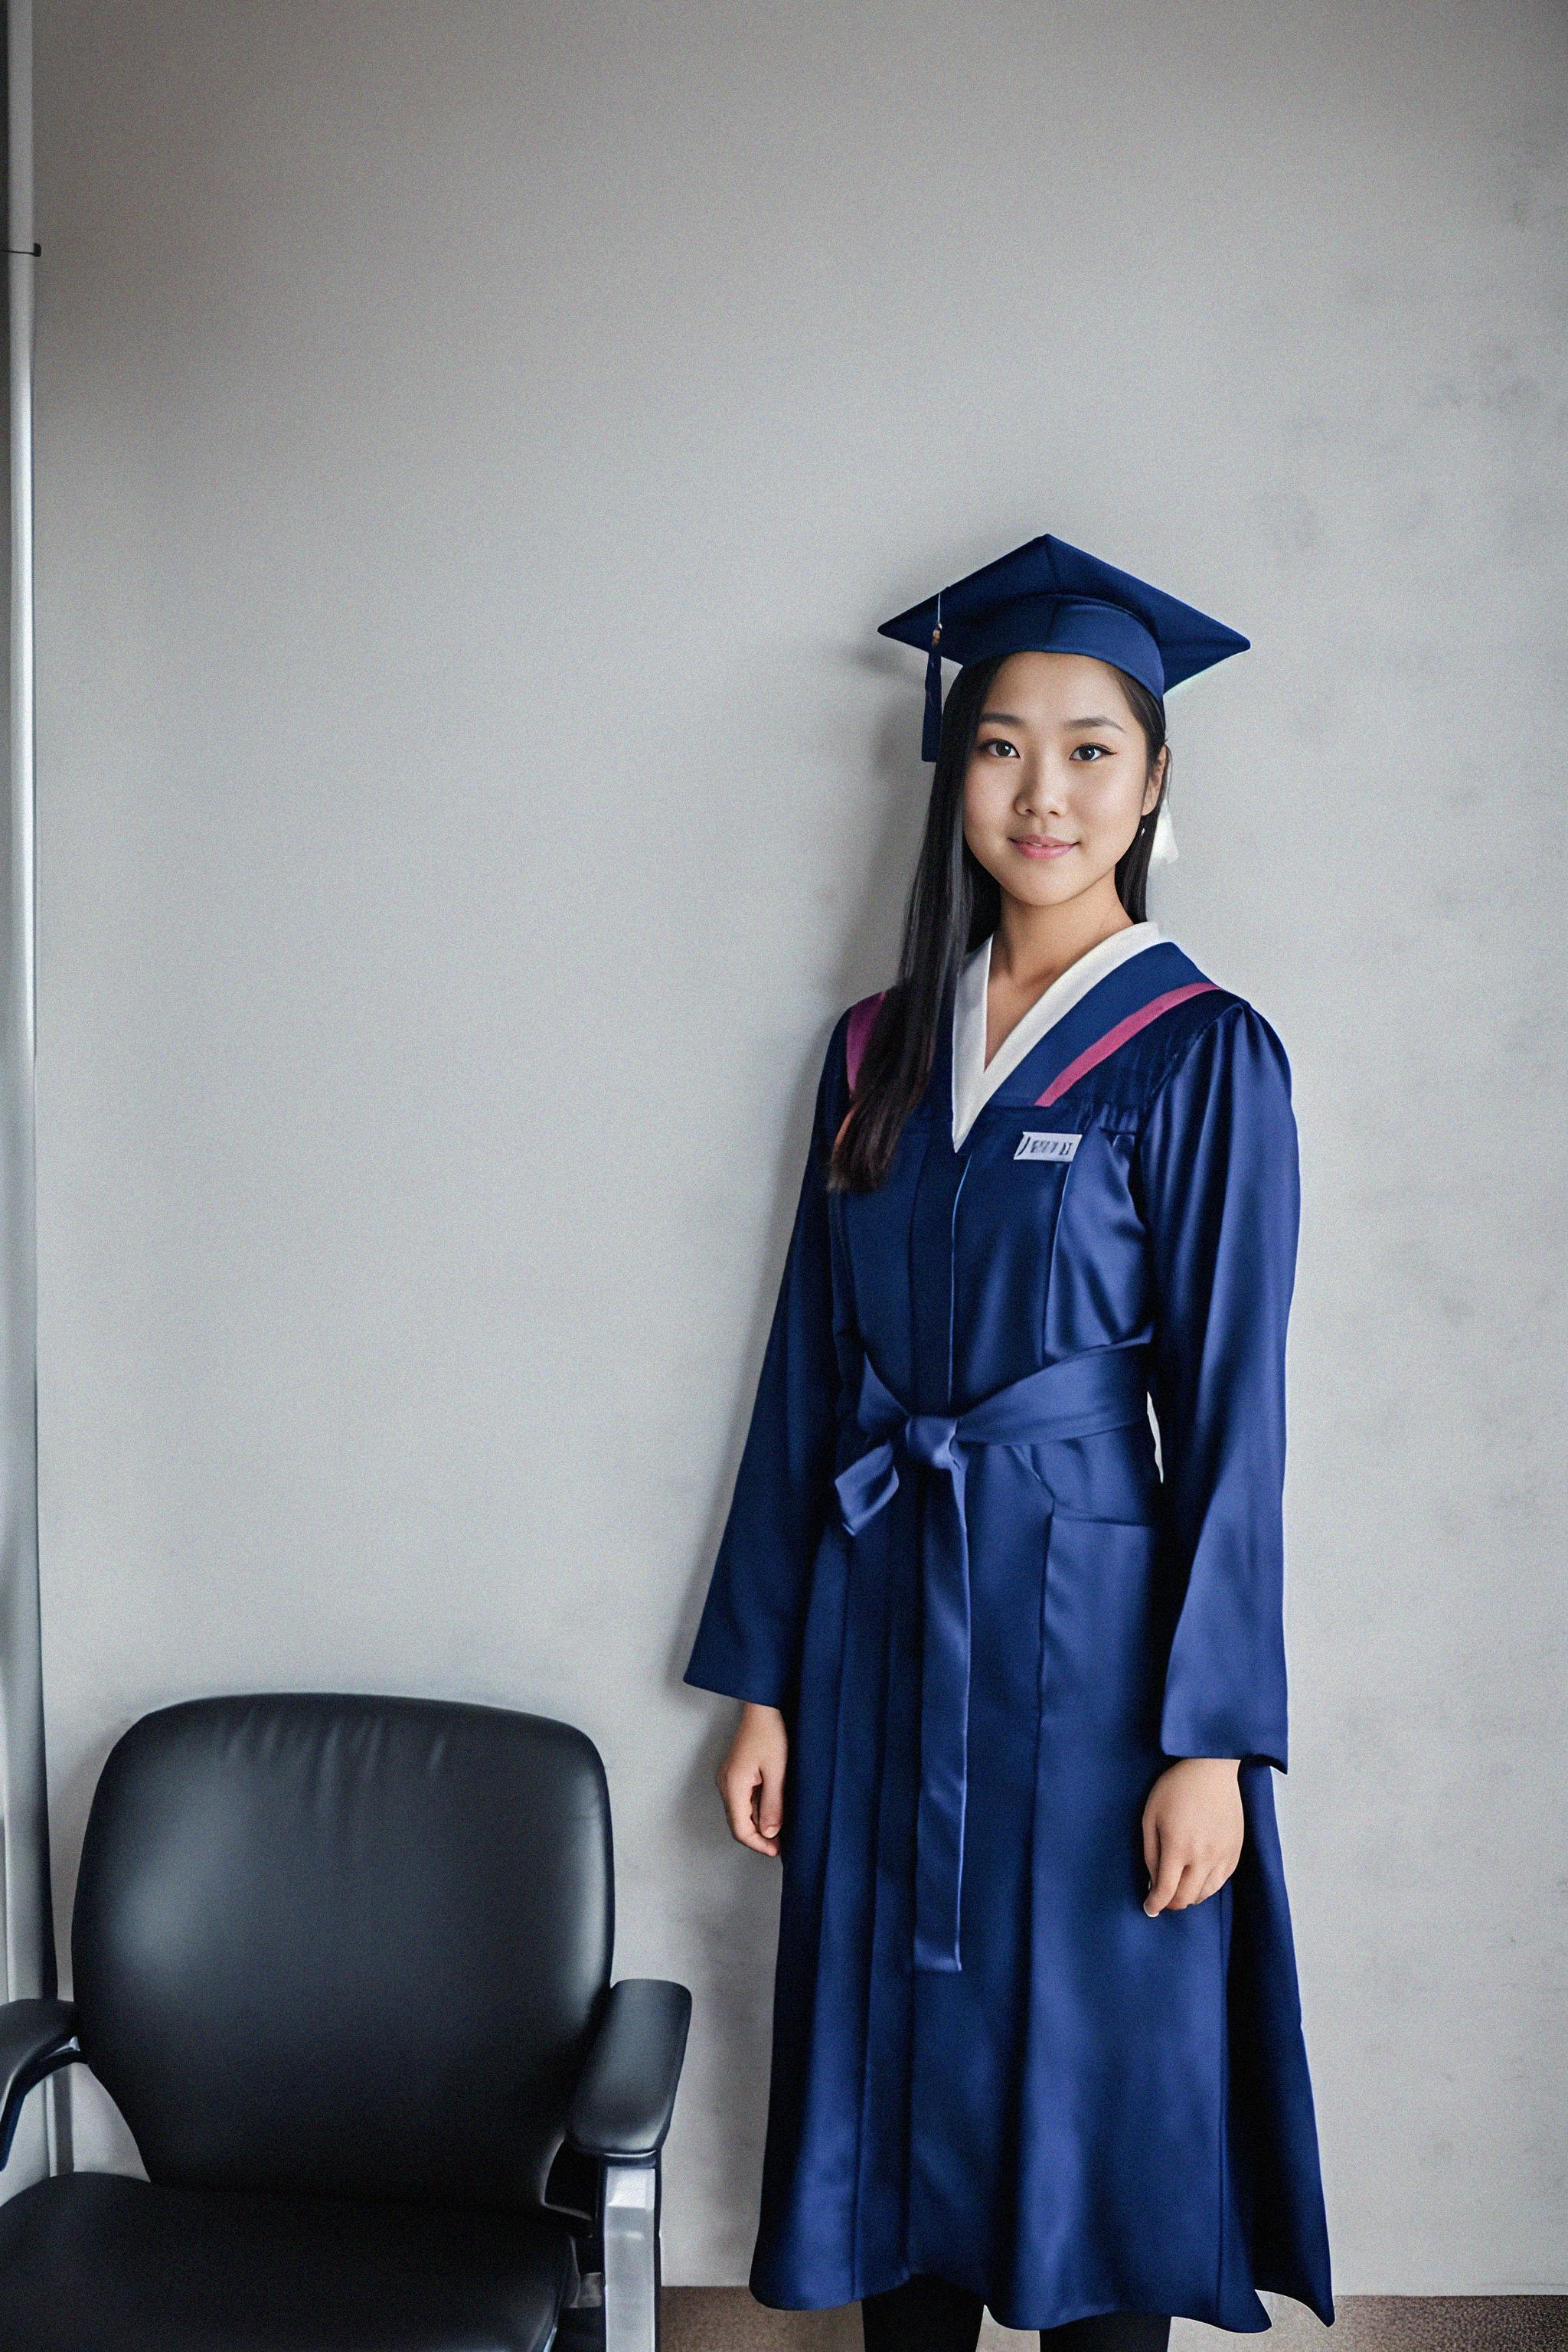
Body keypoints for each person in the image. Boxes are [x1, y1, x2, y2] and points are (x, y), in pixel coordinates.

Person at [683, 534, 1334, 2352]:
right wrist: (768, 1682)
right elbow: (810, 1373)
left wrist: (1214, 1742)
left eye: (1090, 748)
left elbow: (1232, 1421)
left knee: (1094, 2076)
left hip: (1091, 1641)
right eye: (997, 744)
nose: (1041, 791)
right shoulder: (875, 1047)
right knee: (899, 2060)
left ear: (1151, 781)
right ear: (947, 767)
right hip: (883, 1615)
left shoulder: (1205, 1056)